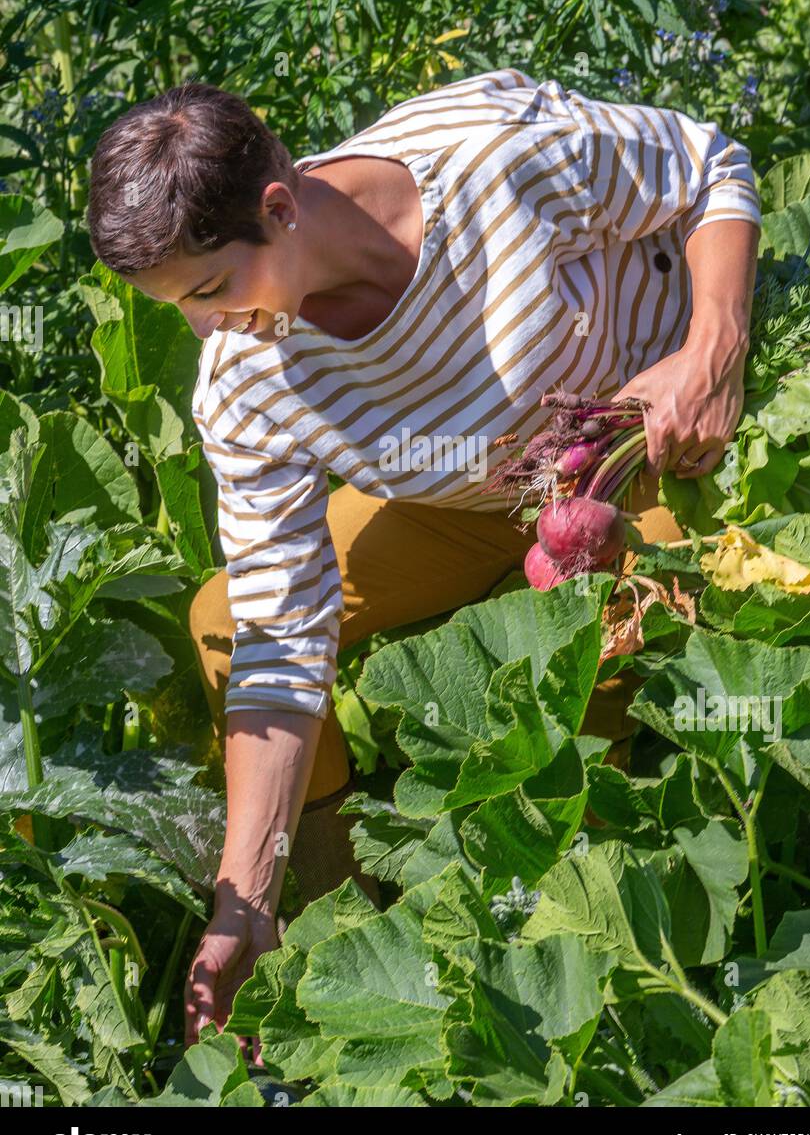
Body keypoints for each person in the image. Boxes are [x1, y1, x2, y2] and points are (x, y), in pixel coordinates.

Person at [86, 67, 761, 1048]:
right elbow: (280, 640)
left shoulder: (490, 161)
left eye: (209, 289)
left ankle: (604, 972)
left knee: (616, 647)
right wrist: (240, 901)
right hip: (465, 501)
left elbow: (709, 172)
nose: (202, 326)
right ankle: (344, 940)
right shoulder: (247, 380)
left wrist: (712, 348)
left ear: (278, 209)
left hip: (641, 458)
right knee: (229, 621)